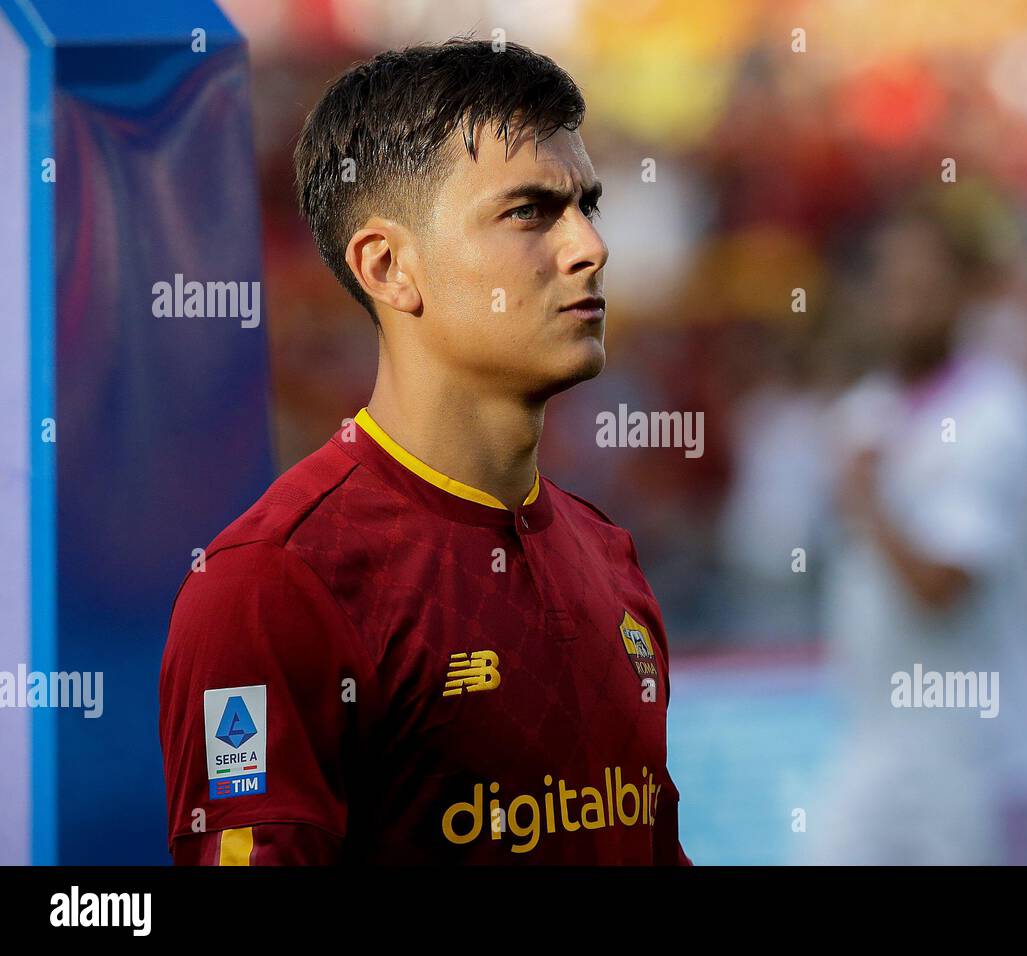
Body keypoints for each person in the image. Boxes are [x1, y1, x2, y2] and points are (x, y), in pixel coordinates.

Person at [159, 39, 691, 865]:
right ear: (389, 266)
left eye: (588, 204)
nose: (590, 246)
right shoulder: (274, 585)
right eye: (529, 212)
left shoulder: (608, 554)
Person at [807, 206, 1027, 865]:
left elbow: (943, 587)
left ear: (965, 291)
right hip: (872, 743)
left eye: (924, 282)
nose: (904, 300)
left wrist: (869, 499)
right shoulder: (864, 411)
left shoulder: (1001, 416)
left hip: (980, 757)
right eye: (891, 282)